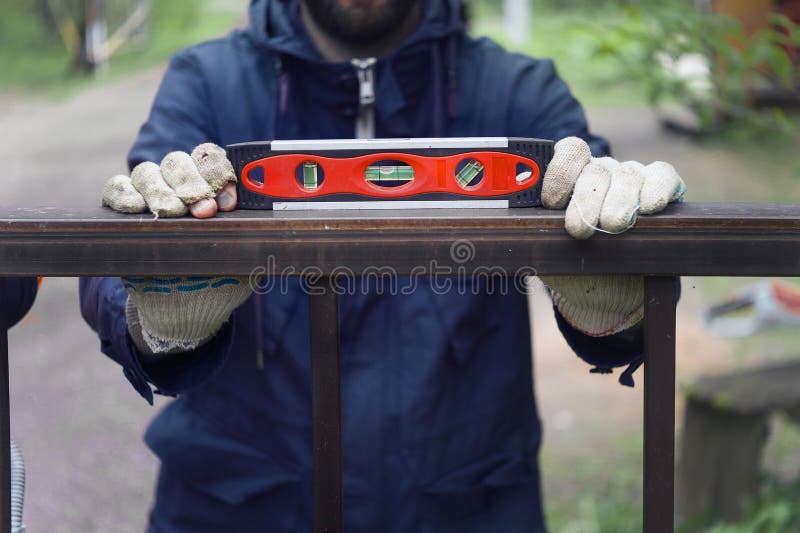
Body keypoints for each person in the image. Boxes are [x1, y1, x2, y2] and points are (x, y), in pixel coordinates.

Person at [80, 0, 685, 531]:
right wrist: (157, 317)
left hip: (464, 507)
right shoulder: (207, 81)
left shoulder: (516, 89)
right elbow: (123, 238)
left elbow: (606, 212)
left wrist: (612, 294)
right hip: (238, 508)